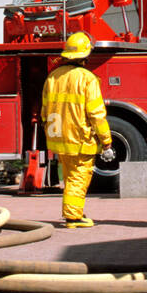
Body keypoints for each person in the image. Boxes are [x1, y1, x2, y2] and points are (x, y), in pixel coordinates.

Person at [40, 31, 113, 228]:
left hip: (58, 137)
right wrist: (106, 141)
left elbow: (45, 111)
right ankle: (73, 217)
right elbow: (97, 114)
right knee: (79, 176)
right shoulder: (88, 79)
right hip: (80, 138)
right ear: (86, 55)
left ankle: (73, 212)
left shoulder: (53, 77)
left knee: (70, 176)